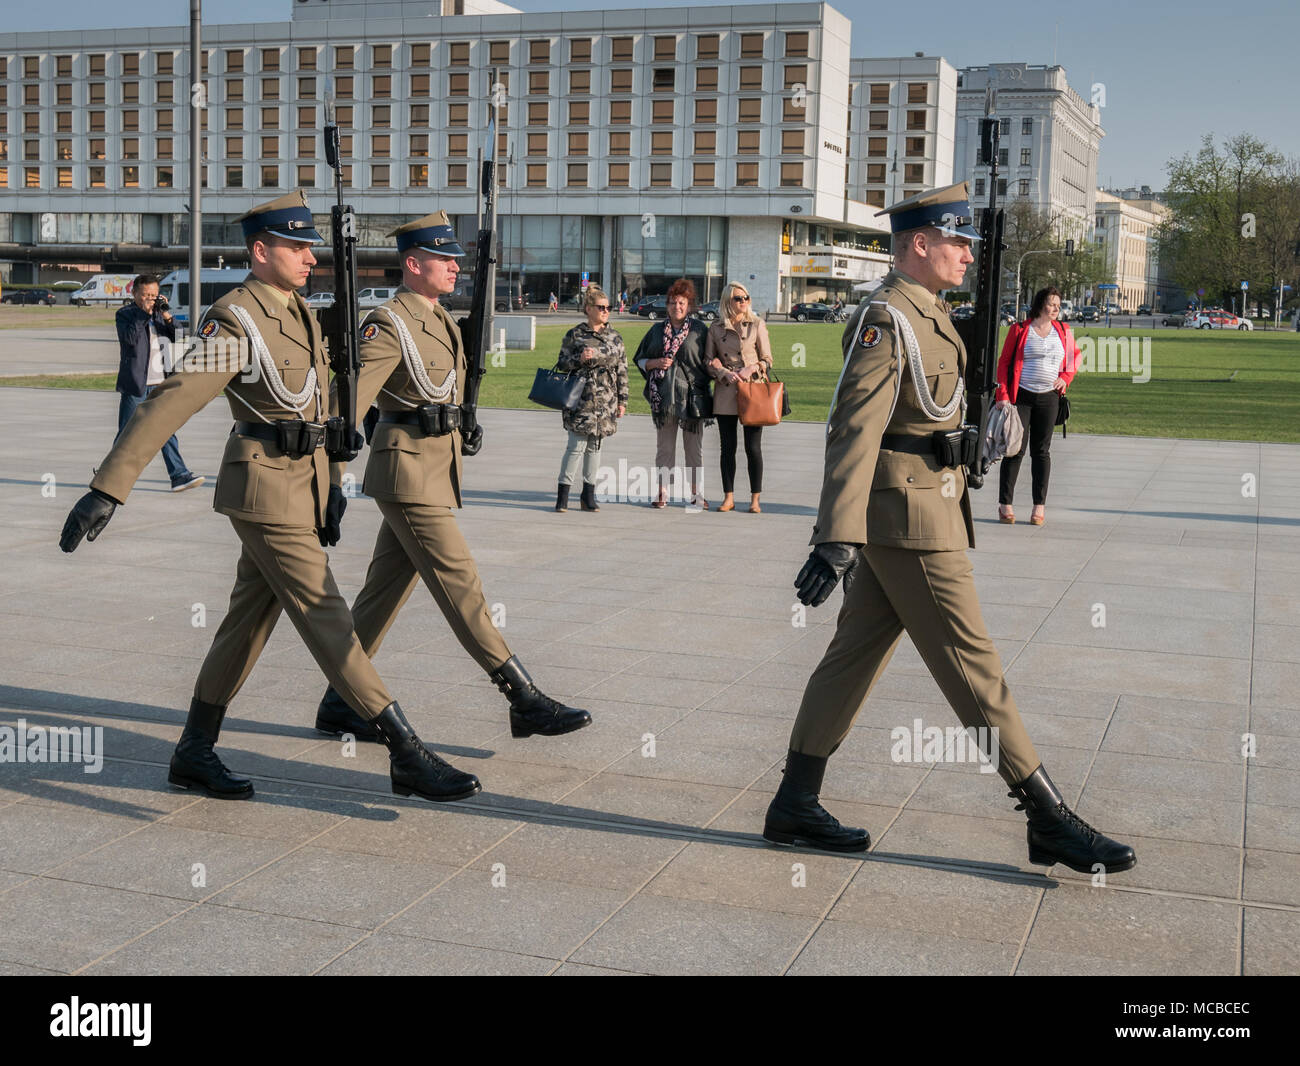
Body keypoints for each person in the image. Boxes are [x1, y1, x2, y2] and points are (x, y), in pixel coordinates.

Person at [59, 191, 480, 806]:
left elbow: (317, 416)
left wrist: (332, 488)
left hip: (300, 489)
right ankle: (405, 753)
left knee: (246, 623)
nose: (309, 256)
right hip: (262, 492)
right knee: (325, 611)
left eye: (311, 245)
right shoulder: (239, 320)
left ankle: (194, 752)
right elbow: (172, 399)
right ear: (260, 251)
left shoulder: (302, 313)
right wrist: (108, 487)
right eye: (295, 245)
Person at [765, 182, 1135, 876]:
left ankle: (795, 800)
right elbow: (855, 428)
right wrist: (835, 536)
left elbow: (930, 413)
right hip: (911, 520)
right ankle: (1048, 819)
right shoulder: (887, 317)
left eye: (969, 243)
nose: (967, 254)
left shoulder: (929, 311)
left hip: (927, 502)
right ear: (918, 244)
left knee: (851, 660)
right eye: (957, 241)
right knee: (976, 668)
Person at [312, 211, 591, 742]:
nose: (455, 267)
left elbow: (440, 391)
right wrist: (332, 479)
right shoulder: (389, 323)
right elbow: (344, 408)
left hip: (435, 468)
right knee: (460, 580)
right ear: (413, 264)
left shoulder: (441, 320)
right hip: (405, 472)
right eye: (444, 258)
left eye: (456, 259)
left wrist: (461, 421)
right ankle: (522, 696)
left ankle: (340, 702)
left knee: (382, 594)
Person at [113, 274, 204, 492]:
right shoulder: (124, 314)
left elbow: (179, 334)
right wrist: (143, 314)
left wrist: (166, 314)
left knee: (165, 429)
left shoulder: (158, 314)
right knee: (127, 433)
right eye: (146, 295)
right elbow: (130, 340)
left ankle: (179, 476)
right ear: (134, 293)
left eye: (154, 295)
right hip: (136, 385)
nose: (150, 299)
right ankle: (112, 476)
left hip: (160, 383)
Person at [995, 285, 1077, 526]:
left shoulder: (1064, 330)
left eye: (1058, 306)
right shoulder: (1019, 330)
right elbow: (1004, 363)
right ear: (1041, 303)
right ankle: (1005, 505)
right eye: (1051, 304)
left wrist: (1066, 378)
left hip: (1049, 398)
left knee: (1041, 452)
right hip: (1021, 397)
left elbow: (1073, 358)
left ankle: (1038, 507)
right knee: (1015, 449)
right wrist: (1003, 394)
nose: (1055, 309)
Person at [632, 278, 711, 509]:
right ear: (667, 305)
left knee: (694, 449)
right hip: (664, 400)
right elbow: (640, 360)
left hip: (692, 400)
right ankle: (662, 492)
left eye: (682, 303)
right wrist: (656, 362)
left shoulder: (699, 330)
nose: (677, 307)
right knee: (664, 448)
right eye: (673, 302)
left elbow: (708, 361)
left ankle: (696, 493)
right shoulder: (657, 331)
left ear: (689, 305)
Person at [553, 285, 627, 513]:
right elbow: (562, 363)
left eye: (608, 307)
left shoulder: (614, 337)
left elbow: (622, 370)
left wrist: (623, 400)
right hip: (580, 400)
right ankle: (563, 495)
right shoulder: (575, 335)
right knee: (575, 446)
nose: (606, 311)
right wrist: (579, 358)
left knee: (595, 447)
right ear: (588, 309)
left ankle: (588, 495)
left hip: (605, 402)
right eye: (601, 307)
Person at [706, 281, 772, 513]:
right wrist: (723, 372)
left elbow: (767, 359)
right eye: (738, 298)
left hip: (752, 390)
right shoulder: (715, 328)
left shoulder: (757, 324)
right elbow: (708, 360)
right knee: (727, 447)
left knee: (753, 448)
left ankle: (755, 499)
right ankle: (729, 497)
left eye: (746, 298)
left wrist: (751, 368)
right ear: (727, 301)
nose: (743, 302)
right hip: (726, 391)